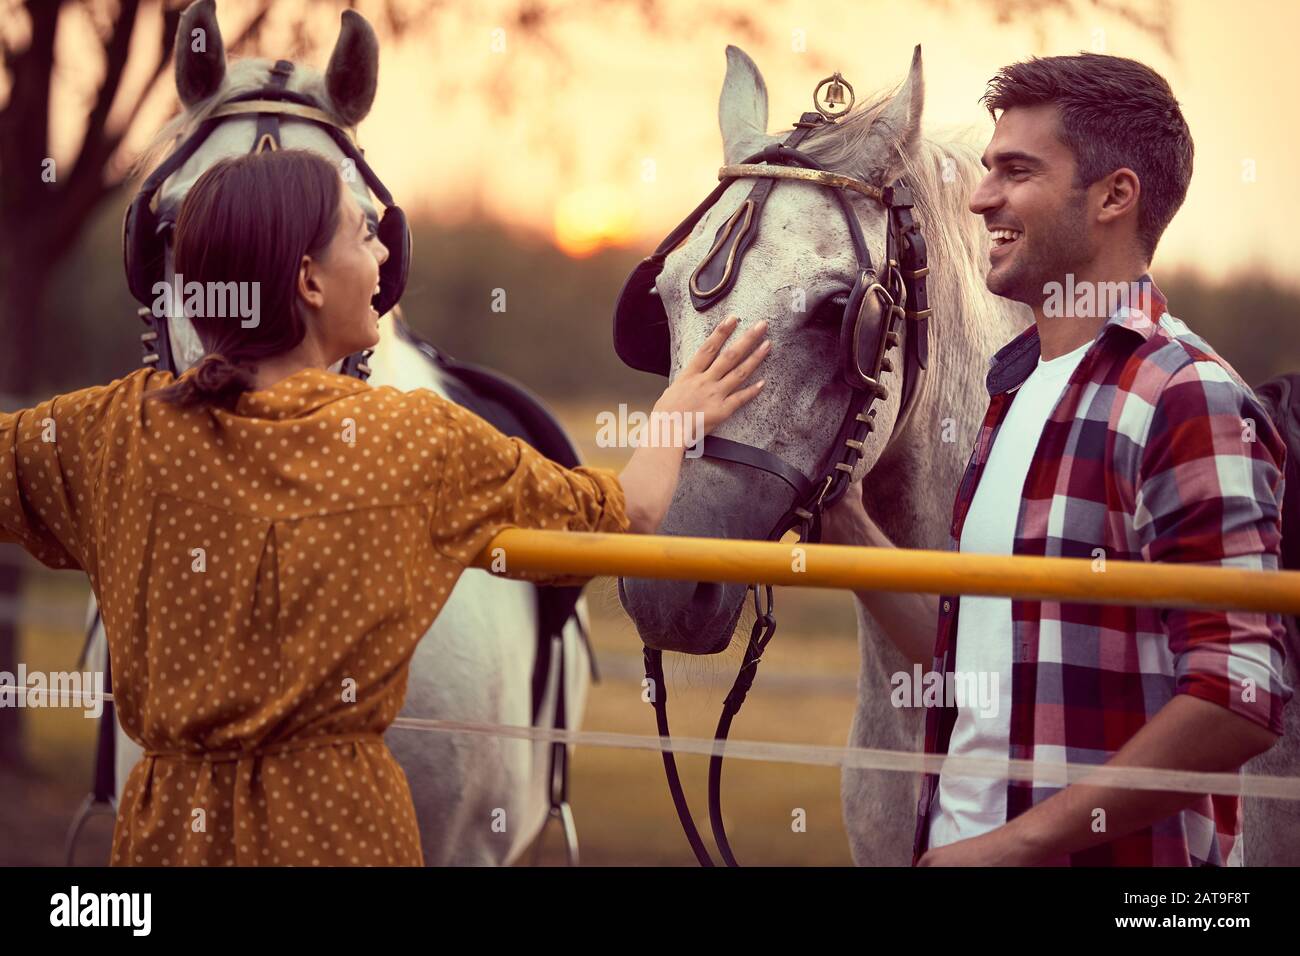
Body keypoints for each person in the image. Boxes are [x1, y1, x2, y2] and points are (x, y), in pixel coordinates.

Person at [0, 148, 770, 866]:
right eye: (363, 235)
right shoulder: (412, 439)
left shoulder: (109, 432)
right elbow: (628, 512)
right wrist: (674, 415)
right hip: (342, 833)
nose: (381, 260)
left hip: (164, 837)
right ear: (307, 280)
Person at [824, 53, 1289, 866]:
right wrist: (848, 525)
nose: (979, 198)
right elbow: (977, 652)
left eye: (1015, 171)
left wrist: (1015, 846)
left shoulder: (1186, 395)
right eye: (985, 169)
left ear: (1114, 196)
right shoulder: (1014, 393)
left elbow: (1238, 694)